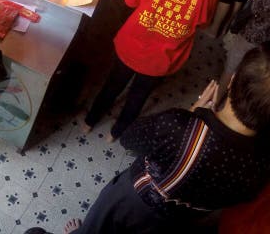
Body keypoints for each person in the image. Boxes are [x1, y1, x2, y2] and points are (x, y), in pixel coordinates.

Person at [66, 44, 270, 233]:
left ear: (232, 81)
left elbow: (129, 139)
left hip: (130, 201)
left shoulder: (177, 126)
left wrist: (191, 114)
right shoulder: (262, 167)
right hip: (176, 222)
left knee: (96, 228)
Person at [82, 0, 219, 142]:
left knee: (113, 84)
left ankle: (90, 121)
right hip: (163, 59)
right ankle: (116, 132)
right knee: (139, 95)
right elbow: (203, 23)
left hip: (131, 46)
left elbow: (129, 0)